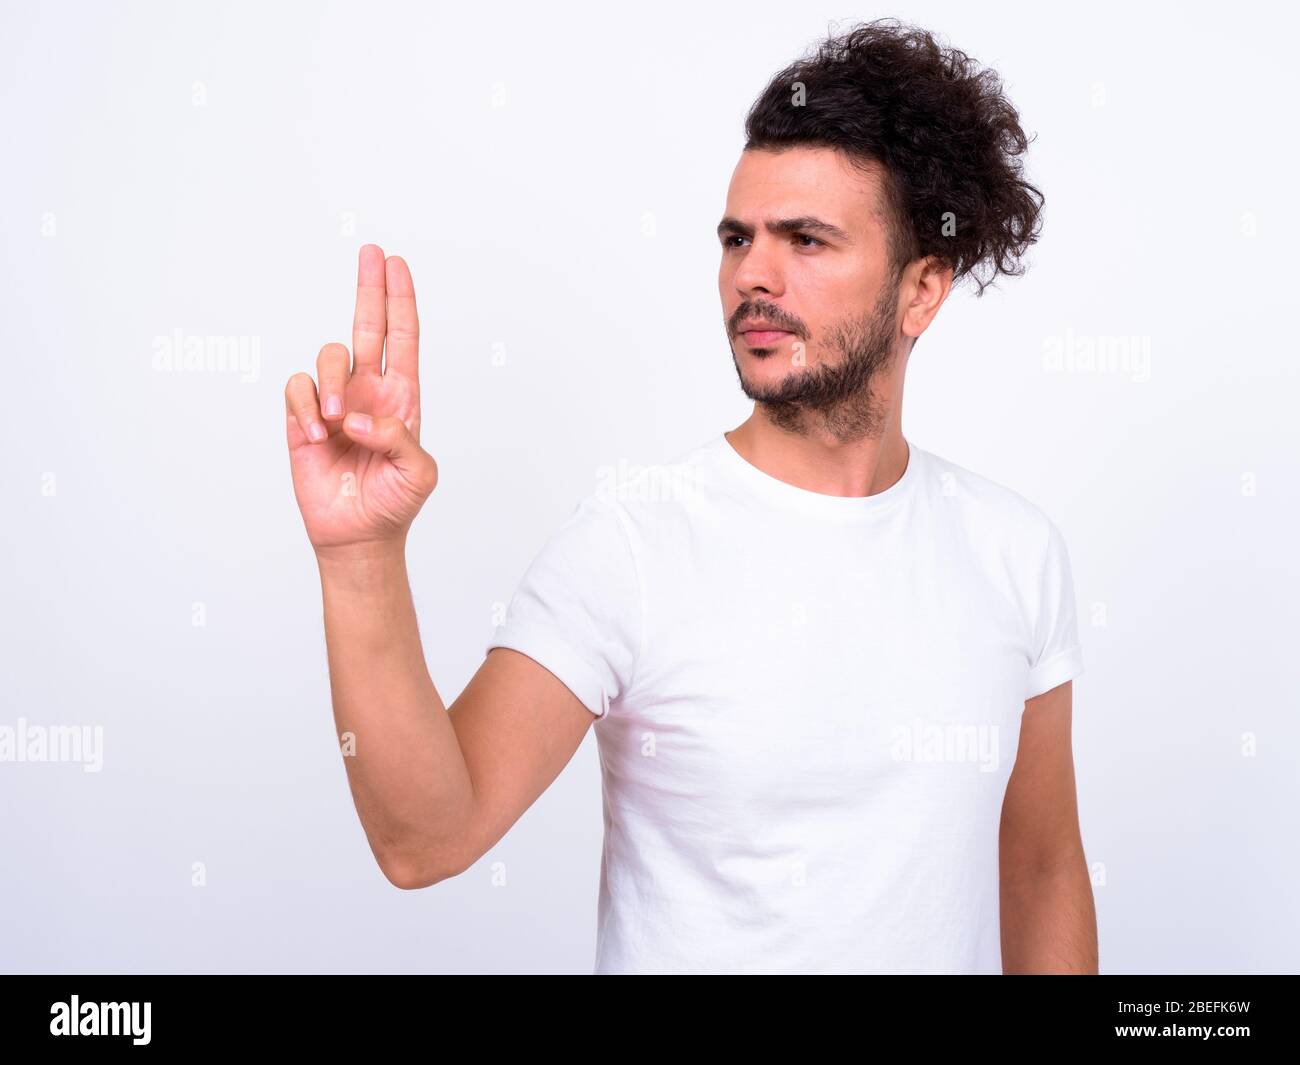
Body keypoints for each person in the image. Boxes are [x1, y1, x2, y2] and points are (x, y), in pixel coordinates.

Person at [283, 18, 1097, 975]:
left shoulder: (1015, 551)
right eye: (737, 237)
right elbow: (426, 838)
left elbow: (1041, 870)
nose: (753, 273)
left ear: (922, 290)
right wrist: (360, 559)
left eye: (807, 239)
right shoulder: (634, 542)